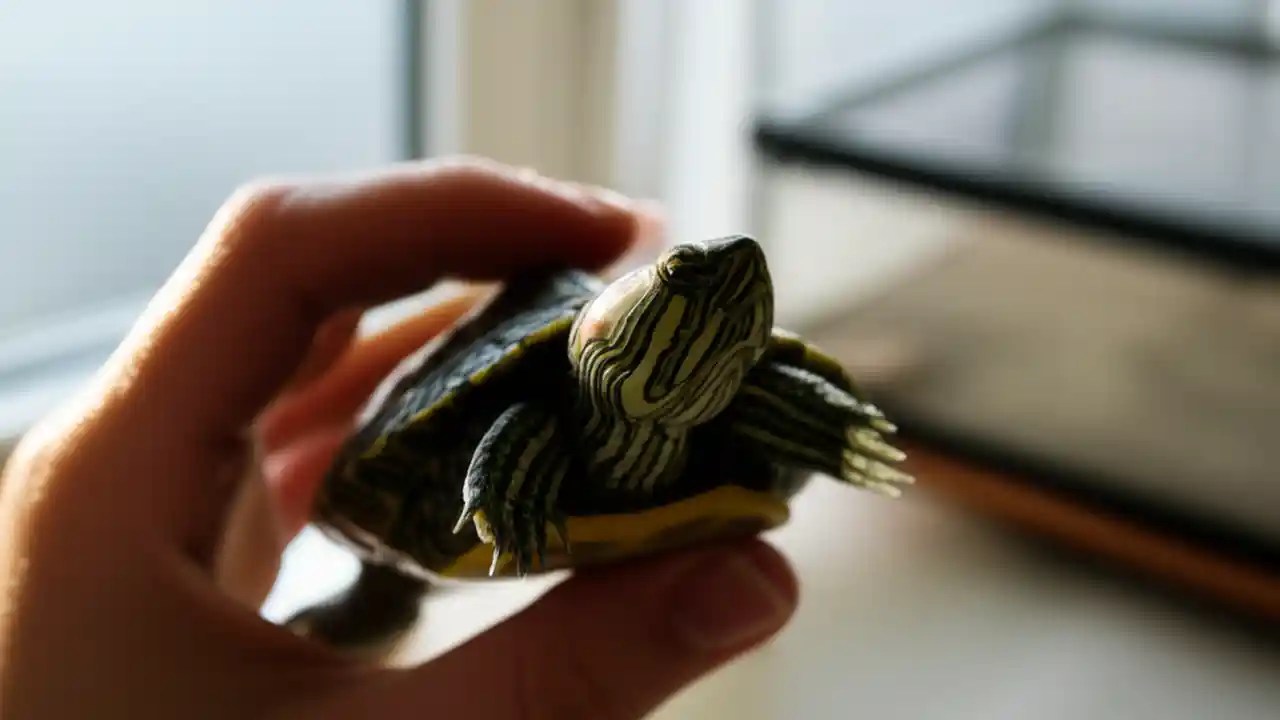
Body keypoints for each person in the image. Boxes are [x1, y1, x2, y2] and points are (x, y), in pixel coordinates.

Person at [0, 158, 798, 719]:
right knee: (386, 594)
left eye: (737, 310)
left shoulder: (736, 421)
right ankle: (376, 599)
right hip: (436, 495)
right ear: (611, 338)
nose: (729, 270)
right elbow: (522, 424)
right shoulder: (541, 412)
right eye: (681, 284)